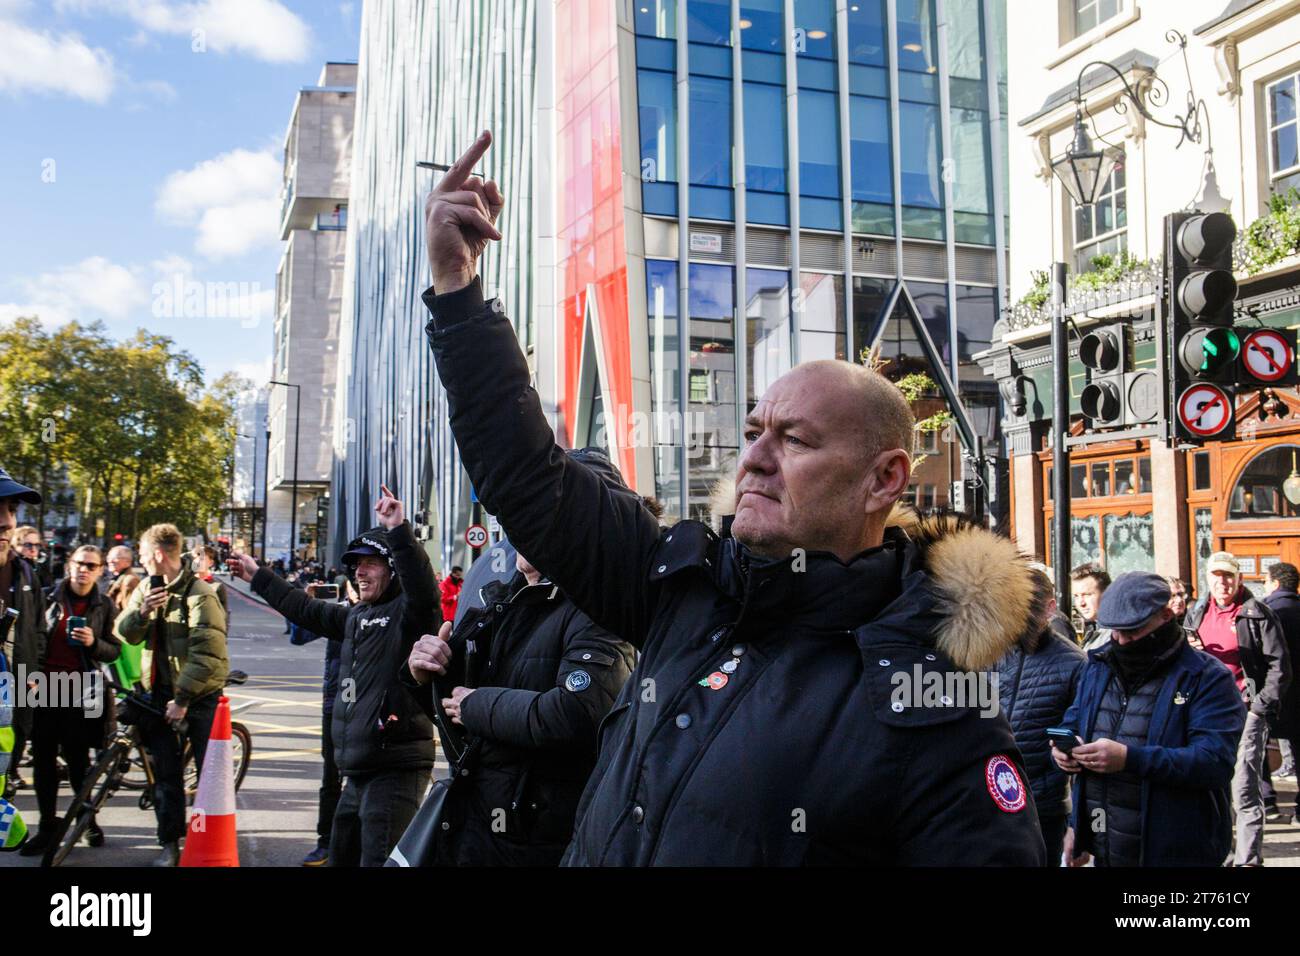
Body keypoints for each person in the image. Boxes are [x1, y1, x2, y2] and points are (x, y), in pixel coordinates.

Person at [419, 131, 1046, 865]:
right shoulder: (684, 587)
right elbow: (529, 479)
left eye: (796, 440)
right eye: (753, 431)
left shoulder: (932, 702)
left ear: (885, 479)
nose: (754, 458)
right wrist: (458, 291)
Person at [404, 448, 638, 866]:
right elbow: (457, 716)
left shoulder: (599, 605)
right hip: (482, 827)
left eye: (543, 509)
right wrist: (429, 673)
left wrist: (476, 704)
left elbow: (577, 713)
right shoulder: (510, 596)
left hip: (542, 841)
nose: (521, 523)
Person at [228, 485, 439, 866]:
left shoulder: (409, 617)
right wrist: (258, 576)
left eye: (369, 563)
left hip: (395, 771)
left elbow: (424, 590)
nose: (359, 571)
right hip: (357, 772)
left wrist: (398, 529)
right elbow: (305, 610)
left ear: (392, 569)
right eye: (355, 564)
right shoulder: (355, 617)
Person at [1055, 571, 1245, 867]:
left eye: (1132, 632)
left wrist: (1131, 759)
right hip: (1107, 843)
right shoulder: (1099, 664)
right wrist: (1065, 751)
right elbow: (1076, 719)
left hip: (1177, 849)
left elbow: (1214, 763)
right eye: (1114, 631)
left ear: (1166, 617)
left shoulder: (1207, 677)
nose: (1120, 640)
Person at [114, 522, 229, 866]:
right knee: (165, 774)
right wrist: (143, 611)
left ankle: (210, 838)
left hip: (198, 695)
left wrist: (181, 701)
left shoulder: (200, 594)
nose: (142, 561)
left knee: (211, 773)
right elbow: (124, 633)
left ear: (159, 554)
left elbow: (206, 655)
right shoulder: (145, 589)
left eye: (144, 556)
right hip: (157, 692)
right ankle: (169, 843)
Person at [1181, 552, 1290, 866]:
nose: (1222, 582)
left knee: (1243, 785)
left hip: (1246, 709)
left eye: (1228, 575)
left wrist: (1260, 707)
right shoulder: (1197, 613)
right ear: (1207, 578)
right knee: (1212, 783)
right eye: (1216, 575)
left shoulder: (1256, 612)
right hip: (1206, 710)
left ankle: (1248, 859)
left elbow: (1279, 666)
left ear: (1239, 579)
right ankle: (1222, 852)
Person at [19, 545, 120, 856]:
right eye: (79, 563)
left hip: (82, 689)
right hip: (44, 687)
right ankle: (47, 827)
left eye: (91, 565)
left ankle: (86, 819)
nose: (84, 570)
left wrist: (93, 643)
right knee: (44, 760)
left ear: (101, 570)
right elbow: (30, 638)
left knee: (79, 763)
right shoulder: (47, 597)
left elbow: (114, 650)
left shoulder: (104, 605)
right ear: (69, 566)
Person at [995, 566, 1086, 865]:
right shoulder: (986, 650)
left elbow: (1083, 737)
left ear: (1049, 608)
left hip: (1042, 805)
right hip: (986, 796)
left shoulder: (1075, 664)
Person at [0, 469, 47, 802]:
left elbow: (38, 629)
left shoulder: (24, 571)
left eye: (12, 509)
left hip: (20, 685)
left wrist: (34, 672)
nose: (6, 521)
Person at [289, 581, 343, 867]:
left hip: (373, 710)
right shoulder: (339, 613)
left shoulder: (388, 612)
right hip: (334, 706)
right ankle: (326, 841)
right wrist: (304, 604)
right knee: (330, 779)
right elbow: (298, 636)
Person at [1261, 561, 1300, 821]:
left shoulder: (1265, 612)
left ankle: (1268, 801)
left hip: (1273, 691)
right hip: (1298, 695)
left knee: (1260, 745)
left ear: (1274, 582)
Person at [1072, 562, 1111, 651]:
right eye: (1076, 596)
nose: (1081, 603)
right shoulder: (1096, 629)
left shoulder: (1117, 635)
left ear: (1106, 593)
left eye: (1087, 595)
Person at [191, 543, 229, 616]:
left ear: (211, 563)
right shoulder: (187, 583)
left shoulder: (217, 587)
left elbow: (223, 615)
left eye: (202, 559)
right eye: (195, 559)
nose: (198, 562)